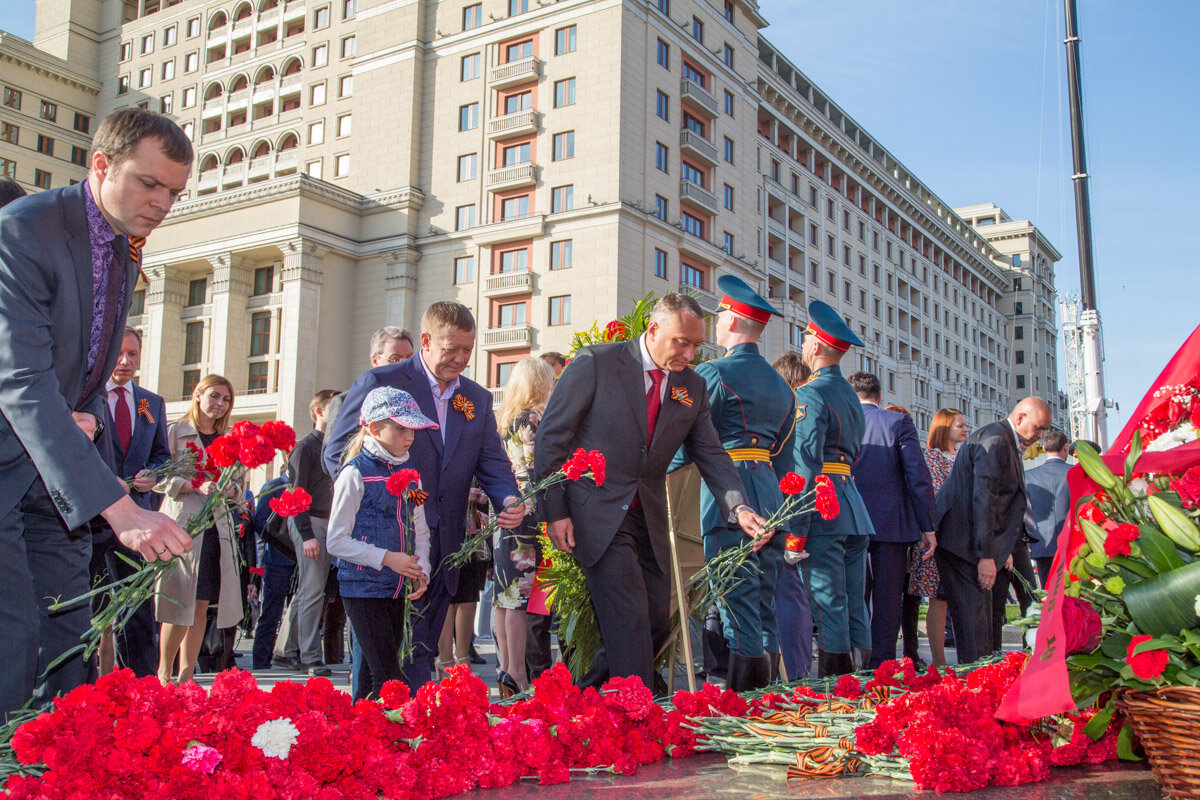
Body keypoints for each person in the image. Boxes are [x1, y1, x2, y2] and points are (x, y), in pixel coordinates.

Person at [0, 108, 194, 717]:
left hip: (59, 486)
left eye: (174, 192)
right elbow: (24, 382)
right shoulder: (24, 229)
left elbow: (84, 376)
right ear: (101, 164)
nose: (162, 203)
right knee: (10, 646)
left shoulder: (123, 248)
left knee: (69, 641)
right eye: (149, 183)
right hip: (7, 466)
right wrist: (120, 509)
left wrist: (100, 472)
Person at [533, 293, 769, 691]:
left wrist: (739, 506)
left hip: (650, 517)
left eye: (696, 345)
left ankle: (585, 697)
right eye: (681, 342)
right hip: (597, 512)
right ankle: (637, 717)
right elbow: (551, 439)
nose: (690, 354)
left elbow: (710, 452)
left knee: (657, 621)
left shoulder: (691, 386)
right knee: (629, 617)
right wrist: (555, 511)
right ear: (654, 329)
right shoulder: (598, 363)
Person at [324, 302, 523, 690]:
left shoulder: (477, 399)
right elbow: (337, 453)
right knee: (380, 661)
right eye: (452, 350)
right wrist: (375, 513)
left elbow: (493, 464)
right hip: (383, 553)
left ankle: (409, 733)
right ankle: (373, 733)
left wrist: (509, 499)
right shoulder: (381, 382)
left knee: (421, 651)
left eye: (468, 350)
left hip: (442, 547)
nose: (462, 359)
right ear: (427, 341)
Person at [671, 276, 796, 692]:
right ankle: (770, 695)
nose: (717, 319)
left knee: (733, 600)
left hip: (729, 498)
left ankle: (746, 699)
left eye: (721, 313)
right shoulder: (784, 387)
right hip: (771, 496)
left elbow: (689, 439)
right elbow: (783, 453)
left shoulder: (712, 373)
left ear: (735, 320)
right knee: (763, 602)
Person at [326, 387, 433, 700]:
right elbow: (336, 540)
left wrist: (420, 568)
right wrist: (387, 558)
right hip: (362, 586)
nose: (409, 435)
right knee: (388, 677)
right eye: (400, 427)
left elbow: (421, 530)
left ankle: (360, 736)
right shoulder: (354, 474)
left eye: (412, 428)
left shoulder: (412, 475)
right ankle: (386, 736)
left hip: (395, 586)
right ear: (374, 428)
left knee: (372, 675)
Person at [789, 301, 876, 677]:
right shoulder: (850, 396)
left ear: (817, 346)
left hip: (825, 506)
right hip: (853, 506)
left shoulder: (810, 394)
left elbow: (805, 463)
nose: (804, 344)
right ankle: (864, 676)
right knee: (854, 601)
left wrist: (795, 533)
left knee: (828, 603)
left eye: (807, 337)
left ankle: (836, 686)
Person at [934, 397, 1052, 663]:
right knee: (975, 626)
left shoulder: (1002, 438)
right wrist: (986, 556)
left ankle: (977, 684)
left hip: (968, 541)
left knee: (981, 624)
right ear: (1020, 417)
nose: (1041, 436)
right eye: (1039, 428)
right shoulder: (996, 440)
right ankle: (973, 687)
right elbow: (984, 498)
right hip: (962, 543)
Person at [89, 328, 171, 677]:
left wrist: (154, 474)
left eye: (132, 354)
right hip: (92, 523)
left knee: (136, 610)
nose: (125, 362)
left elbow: (162, 456)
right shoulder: (86, 399)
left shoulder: (151, 403)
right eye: (118, 353)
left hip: (138, 520)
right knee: (89, 610)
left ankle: (142, 688)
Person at [154, 375, 244, 683]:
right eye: (215, 396)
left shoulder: (229, 440)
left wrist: (231, 492)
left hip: (216, 528)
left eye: (226, 400)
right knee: (178, 601)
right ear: (198, 395)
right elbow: (159, 478)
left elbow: (240, 488)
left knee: (202, 603)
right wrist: (194, 485)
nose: (220, 404)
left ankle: (186, 675)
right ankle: (164, 674)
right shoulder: (175, 432)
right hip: (184, 526)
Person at [848, 373, 935, 670]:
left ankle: (850, 663)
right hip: (891, 526)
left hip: (847, 522)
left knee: (852, 596)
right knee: (887, 601)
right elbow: (918, 476)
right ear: (879, 397)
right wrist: (927, 526)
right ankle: (880, 666)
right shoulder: (897, 423)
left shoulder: (841, 421)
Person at [489, 357, 555, 694]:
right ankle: (518, 675)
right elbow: (536, 471)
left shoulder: (505, 421)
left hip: (505, 516)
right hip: (529, 519)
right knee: (520, 600)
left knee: (505, 598)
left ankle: (506, 670)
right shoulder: (532, 420)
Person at [275, 389, 340, 677]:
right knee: (313, 590)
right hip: (309, 522)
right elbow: (295, 494)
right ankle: (309, 657)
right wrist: (306, 534)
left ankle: (288, 651)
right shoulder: (305, 448)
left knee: (309, 590)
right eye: (333, 405)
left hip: (327, 522)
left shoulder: (335, 446)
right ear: (319, 412)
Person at [771, 351, 814, 680]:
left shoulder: (780, 413)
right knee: (790, 596)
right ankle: (794, 675)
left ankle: (791, 675)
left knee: (788, 596)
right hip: (783, 514)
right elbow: (797, 474)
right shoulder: (791, 414)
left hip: (777, 513)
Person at [916, 408, 969, 667]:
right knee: (939, 597)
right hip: (940, 534)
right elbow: (933, 495)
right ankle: (938, 660)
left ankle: (967, 656)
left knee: (962, 597)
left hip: (965, 536)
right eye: (959, 425)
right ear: (944, 427)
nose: (965, 430)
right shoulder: (931, 458)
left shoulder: (965, 457)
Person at [251, 472, 296, 670]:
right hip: (277, 560)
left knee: (297, 614)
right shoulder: (272, 486)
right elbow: (259, 522)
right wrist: (282, 532)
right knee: (271, 612)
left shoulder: (308, 483)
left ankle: (293, 655)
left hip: (300, 560)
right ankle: (261, 661)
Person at [1026, 430, 1072, 587]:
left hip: (1042, 540)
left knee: (1047, 590)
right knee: (1072, 591)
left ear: (1044, 449)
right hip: (1071, 540)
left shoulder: (1029, 476)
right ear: (1066, 447)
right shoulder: (1075, 472)